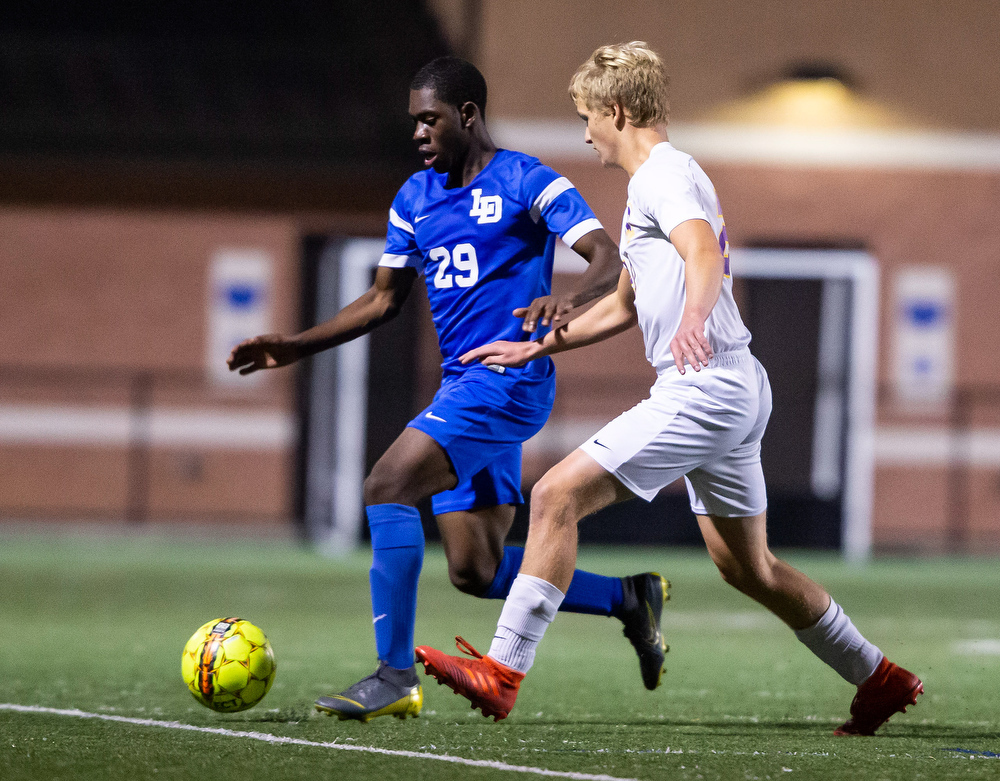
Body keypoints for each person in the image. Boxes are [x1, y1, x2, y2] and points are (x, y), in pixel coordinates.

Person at [415, 42, 923, 736]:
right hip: (733, 386)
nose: (585, 131)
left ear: (617, 111)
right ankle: (880, 676)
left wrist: (689, 318)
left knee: (556, 494)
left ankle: (501, 671)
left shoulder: (665, 175)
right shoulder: (648, 186)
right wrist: (537, 342)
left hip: (705, 384)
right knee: (751, 569)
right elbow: (622, 305)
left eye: (588, 116)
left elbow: (703, 252)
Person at [227, 56, 671, 722]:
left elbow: (608, 258)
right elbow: (383, 300)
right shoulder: (414, 198)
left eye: (429, 118)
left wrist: (567, 299)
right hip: (465, 387)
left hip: (510, 382)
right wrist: (294, 345)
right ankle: (627, 598)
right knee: (474, 568)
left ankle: (392, 673)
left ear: (467, 115)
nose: (418, 133)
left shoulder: (527, 180)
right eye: (414, 121)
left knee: (387, 484)